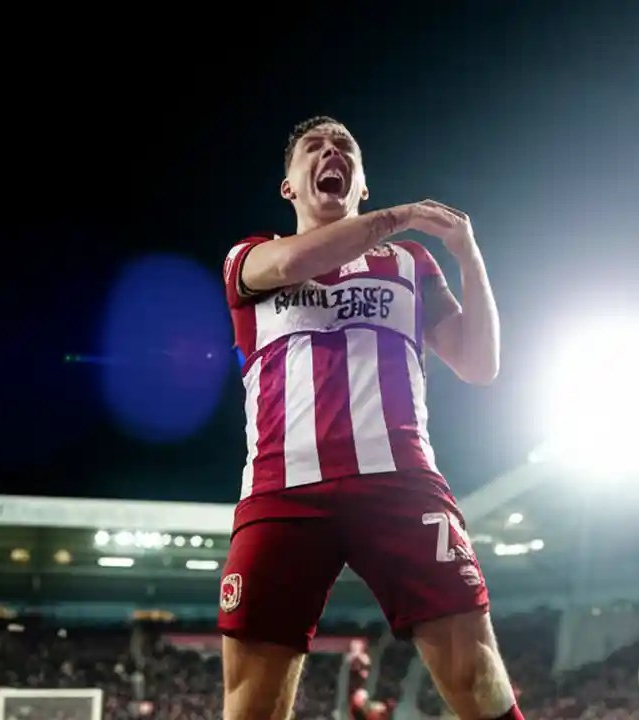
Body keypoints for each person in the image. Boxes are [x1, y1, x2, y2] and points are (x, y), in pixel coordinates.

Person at [219, 116, 519, 720]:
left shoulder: (409, 263)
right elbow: (288, 267)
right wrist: (397, 215)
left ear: (361, 182)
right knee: (253, 702)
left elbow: (480, 363)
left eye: (344, 147)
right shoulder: (250, 258)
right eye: (314, 147)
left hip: (402, 484)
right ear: (290, 187)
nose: (331, 152)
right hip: (283, 492)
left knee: (475, 674)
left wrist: (467, 254)